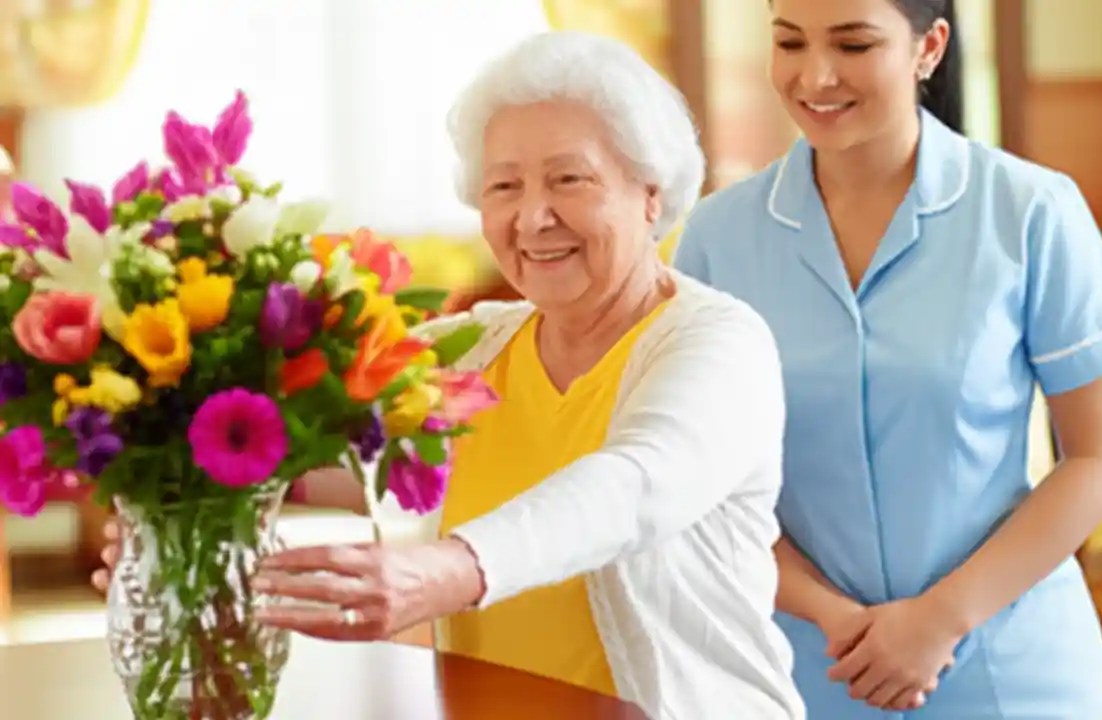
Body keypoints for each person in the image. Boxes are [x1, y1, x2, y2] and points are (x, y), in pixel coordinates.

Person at [92, 30, 805, 720]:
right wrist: (181, 524)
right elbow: (318, 454)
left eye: (569, 179)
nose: (533, 216)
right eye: (503, 185)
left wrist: (443, 573)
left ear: (652, 193)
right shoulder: (467, 348)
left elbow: (633, 490)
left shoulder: (717, 344)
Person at [672, 0, 1102, 717]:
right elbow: (701, 480)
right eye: (789, 43)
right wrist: (834, 619)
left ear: (929, 48)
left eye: (854, 45)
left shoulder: (1031, 210)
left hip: (1006, 660)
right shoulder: (716, 237)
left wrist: (940, 618)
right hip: (807, 666)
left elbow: (1101, 457)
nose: (815, 76)